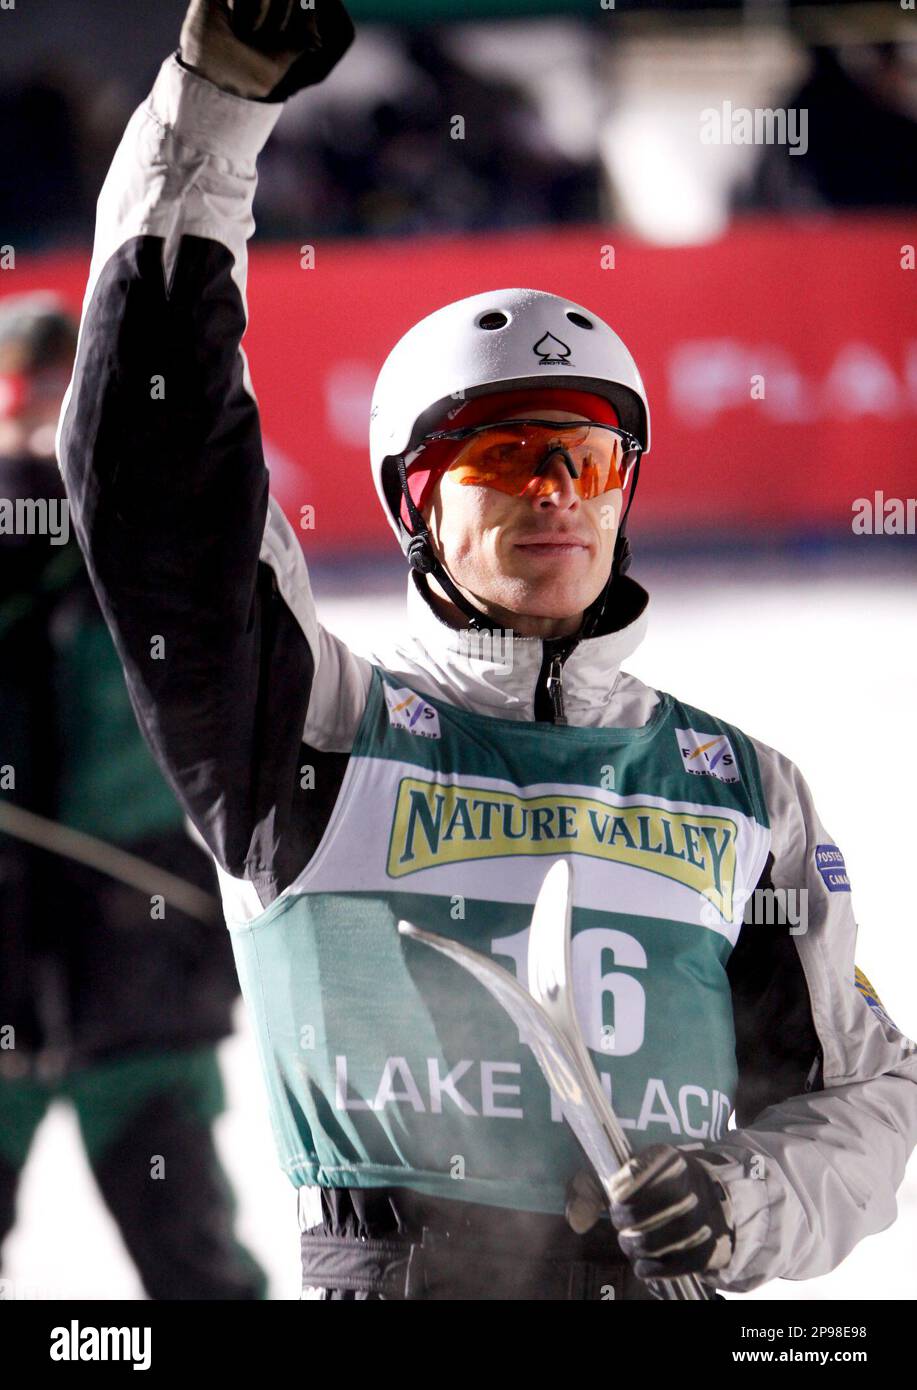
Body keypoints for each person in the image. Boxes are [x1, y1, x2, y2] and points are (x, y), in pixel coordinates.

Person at [58, 0, 917, 1301]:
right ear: (417, 501)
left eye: (585, 459)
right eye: (506, 457)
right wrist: (213, 110)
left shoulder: (744, 789)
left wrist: (742, 1200)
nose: (554, 494)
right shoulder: (310, 737)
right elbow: (153, 471)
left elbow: (866, 1099)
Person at [0, 292, 266, 1301]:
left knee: (191, 1258)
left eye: (55, 410)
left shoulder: (158, 543)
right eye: (17, 411)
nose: (35, 440)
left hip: (141, 971)